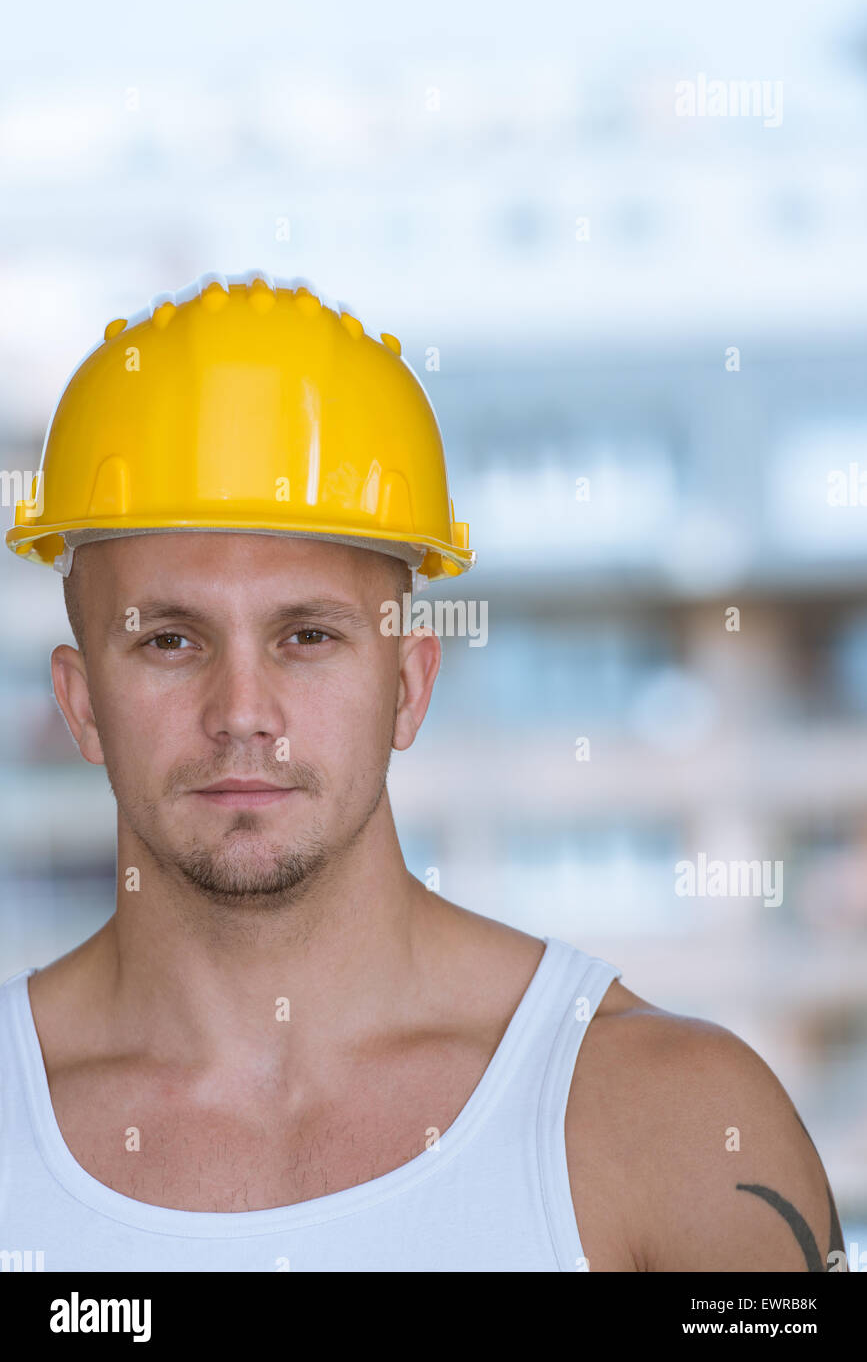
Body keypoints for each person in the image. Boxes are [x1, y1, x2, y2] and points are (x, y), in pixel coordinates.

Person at [0, 272, 846, 1272]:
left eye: (307, 635)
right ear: (81, 700)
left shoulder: (672, 1125)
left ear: (409, 683)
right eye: (170, 641)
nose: (240, 714)